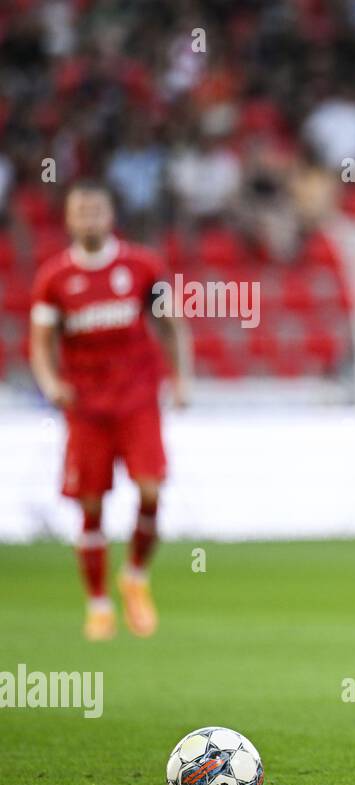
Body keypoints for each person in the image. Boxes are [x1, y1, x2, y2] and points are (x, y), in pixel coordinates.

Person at [29, 181, 192, 641]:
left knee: (151, 490)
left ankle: (135, 576)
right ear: (68, 219)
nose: (88, 218)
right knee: (91, 505)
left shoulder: (141, 266)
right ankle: (98, 604)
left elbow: (171, 324)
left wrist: (181, 379)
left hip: (137, 400)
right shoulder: (54, 279)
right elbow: (41, 344)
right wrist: (50, 383)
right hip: (86, 408)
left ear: (110, 214)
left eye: (96, 209)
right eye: (80, 211)